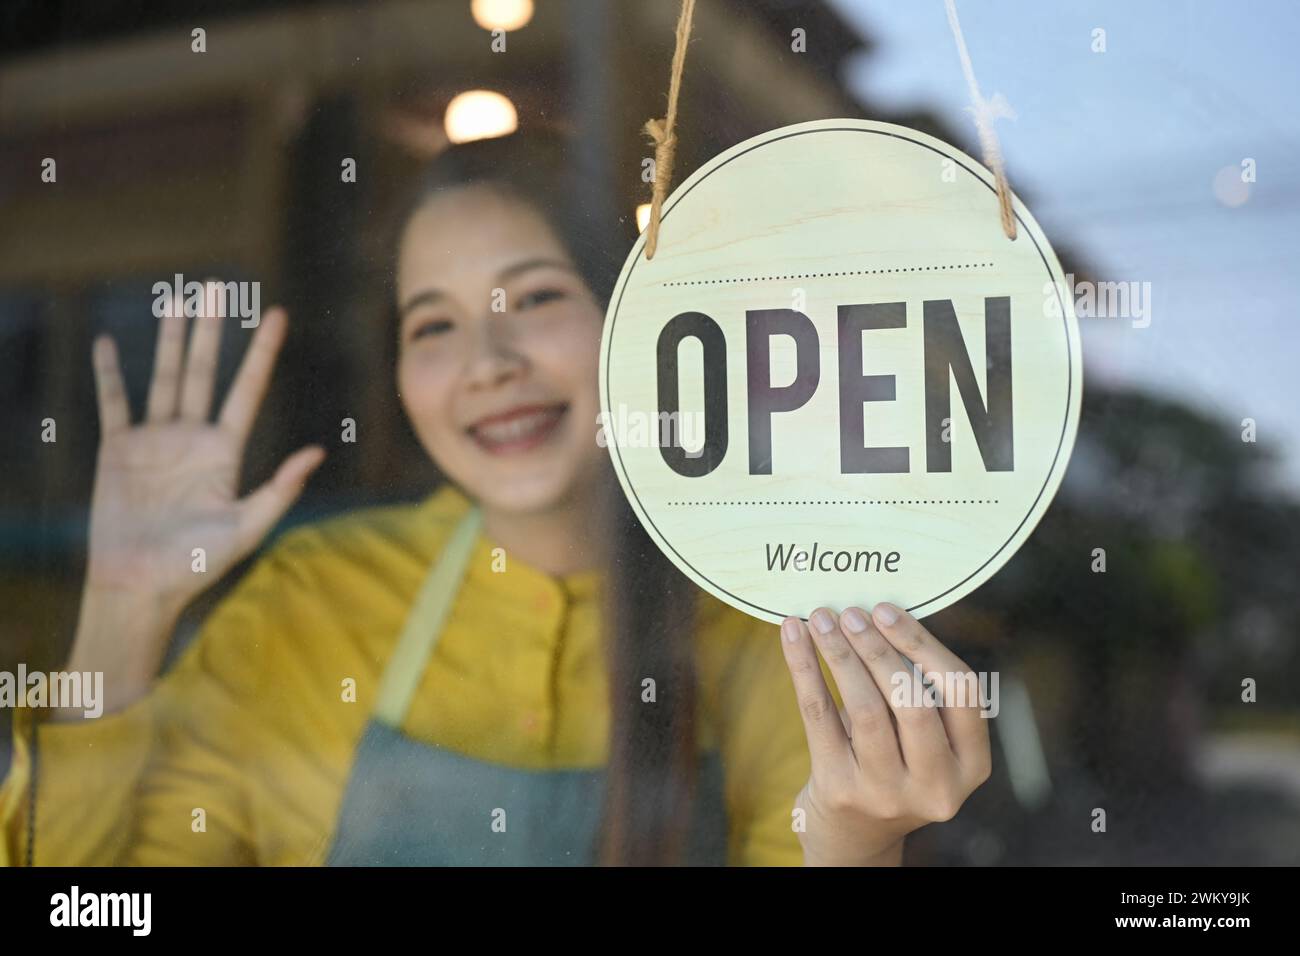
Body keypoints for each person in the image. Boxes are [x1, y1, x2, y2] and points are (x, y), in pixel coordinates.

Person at [0, 130, 990, 866]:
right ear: (397, 374)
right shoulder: (305, 601)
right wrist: (122, 611)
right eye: (433, 326)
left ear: (638, 321)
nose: (487, 362)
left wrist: (858, 832)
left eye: (539, 297)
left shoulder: (764, 621)